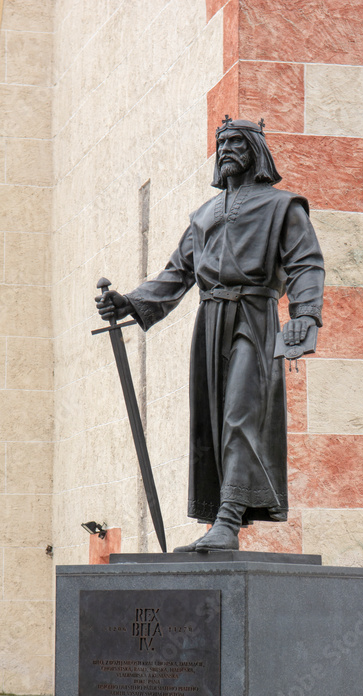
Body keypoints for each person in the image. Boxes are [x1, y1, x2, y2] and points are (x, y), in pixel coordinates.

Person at [95, 116, 325, 551]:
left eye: (237, 142)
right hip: (210, 320)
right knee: (212, 424)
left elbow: (306, 263)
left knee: (241, 412)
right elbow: (177, 272)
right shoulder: (203, 215)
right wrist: (131, 302)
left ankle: (229, 520)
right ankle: (218, 520)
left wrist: (305, 314)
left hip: (253, 317)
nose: (227, 150)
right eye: (222, 143)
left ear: (256, 150)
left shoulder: (283, 206)